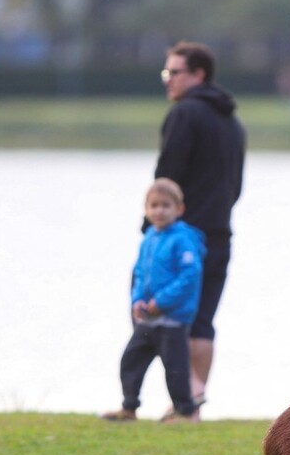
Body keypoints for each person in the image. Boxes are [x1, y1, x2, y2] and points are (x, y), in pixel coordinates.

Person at [151, 40, 246, 420]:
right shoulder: (232, 121)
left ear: (198, 74)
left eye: (174, 72)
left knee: (169, 320)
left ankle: (182, 402)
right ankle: (191, 403)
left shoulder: (185, 114)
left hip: (180, 236)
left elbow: (167, 179)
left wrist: (153, 227)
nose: (168, 80)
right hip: (219, 233)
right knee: (202, 320)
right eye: (166, 72)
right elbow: (236, 185)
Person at [104, 179, 206, 423]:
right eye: (154, 205)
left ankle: (183, 411)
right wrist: (137, 300)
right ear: (146, 210)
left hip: (173, 320)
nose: (159, 211)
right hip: (148, 320)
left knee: (176, 369)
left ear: (178, 209)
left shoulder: (183, 239)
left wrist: (161, 302)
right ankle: (129, 407)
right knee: (130, 360)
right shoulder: (149, 238)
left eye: (165, 205)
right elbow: (139, 273)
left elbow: (189, 276)